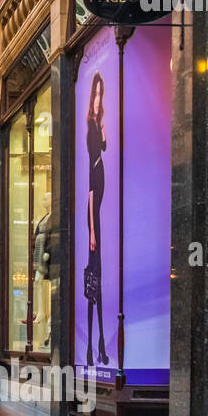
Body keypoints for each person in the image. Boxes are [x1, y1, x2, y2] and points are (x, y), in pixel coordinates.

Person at [85, 71, 110, 366]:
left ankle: (97, 347)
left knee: (98, 278)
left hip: (99, 206)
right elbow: (91, 189)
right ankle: (94, 347)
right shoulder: (89, 126)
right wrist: (92, 228)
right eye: (95, 94)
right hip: (95, 211)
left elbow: (104, 148)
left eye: (101, 95)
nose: (97, 100)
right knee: (94, 277)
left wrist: (103, 127)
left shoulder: (98, 125)